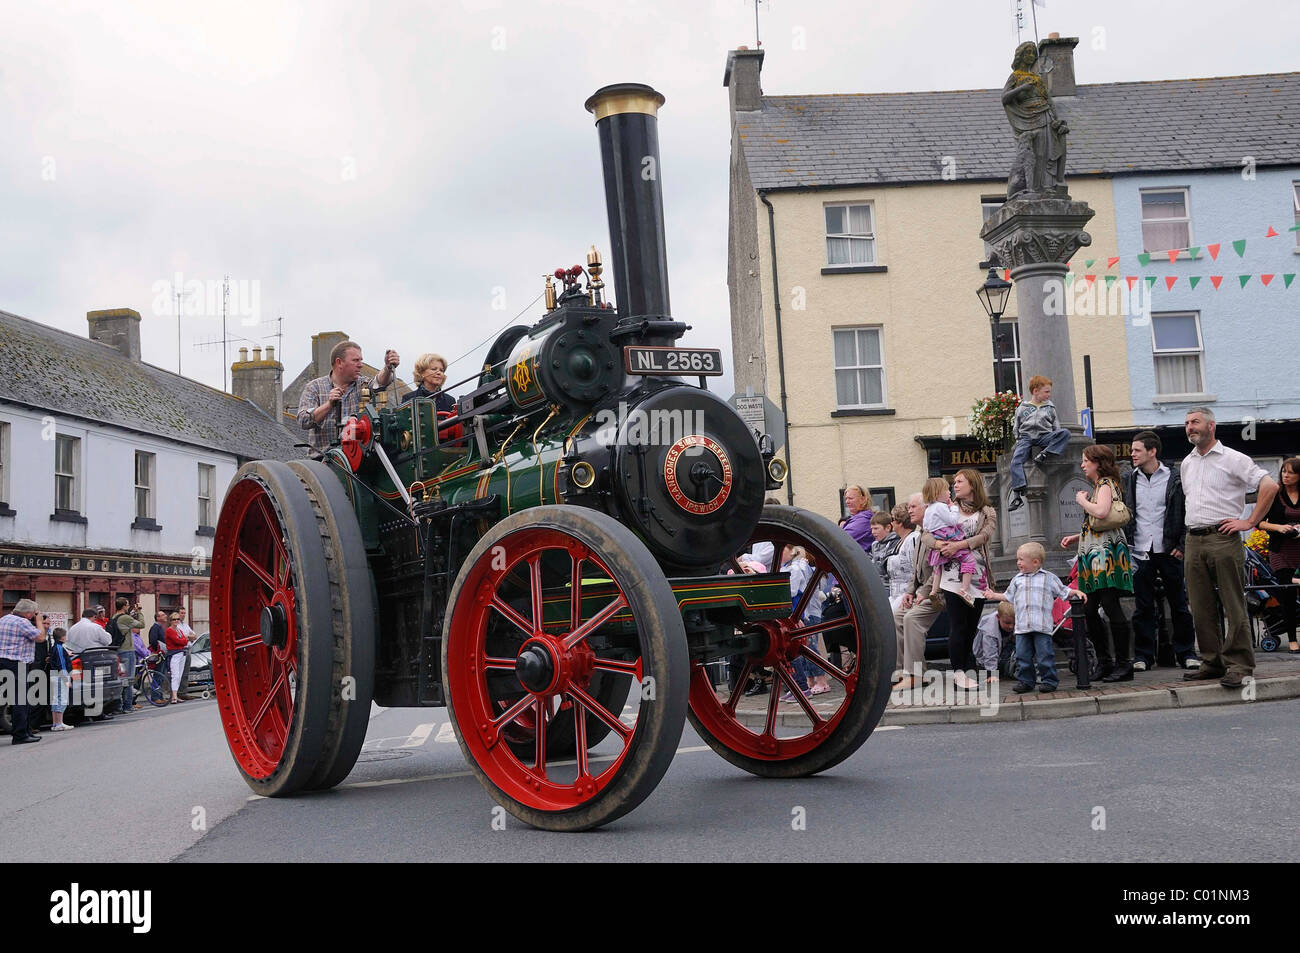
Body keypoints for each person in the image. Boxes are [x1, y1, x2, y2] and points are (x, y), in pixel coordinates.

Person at [1180, 408, 1279, 688]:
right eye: (1187, 423)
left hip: (1223, 537)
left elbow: (1269, 486)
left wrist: (1249, 521)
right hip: (1193, 538)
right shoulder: (1187, 462)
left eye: (1195, 422)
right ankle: (1212, 662)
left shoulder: (1233, 458)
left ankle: (1240, 665)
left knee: (1233, 603)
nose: (1189, 427)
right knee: (1200, 606)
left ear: (1211, 426)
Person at [1123, 430, 1199, 670]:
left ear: (1152, 451)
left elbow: (1189, 510)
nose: (1132, 454)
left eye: (1136, 450)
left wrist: (1182, 544)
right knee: (1143, 606)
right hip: (1140, 550)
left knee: (1179, 603)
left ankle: (1186, 653)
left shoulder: (1175, 476)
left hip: (1169, 549)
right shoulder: (1128, 478)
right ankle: (1144, 656)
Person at [1061, 444, 1135, 681]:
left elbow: (1102, 512)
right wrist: (1077, 536)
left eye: (1085, 461)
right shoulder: (1100, 485)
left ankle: (1124, 664)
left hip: (1105, 556)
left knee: (1110, 605)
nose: (1082, 465)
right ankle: (1105, 661)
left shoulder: (1104, 484)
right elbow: (1098, 520)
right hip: (1095, 554)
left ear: (1097, 463)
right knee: (1090, 609)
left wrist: (1081, 500)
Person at [984, 542, 1087, 693]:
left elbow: (1063, 591)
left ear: (1035, 562)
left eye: (1021, 559)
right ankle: (1026, 681)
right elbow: (1008, 596)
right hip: (1022, 628)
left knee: (1045, 655)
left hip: (1042, 626)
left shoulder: (1049, 578)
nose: (1018, 562)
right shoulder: (1017, 580)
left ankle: (1049, 681)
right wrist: (993, 595)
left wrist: (1077, 592)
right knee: (1022, 656)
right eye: (1017, 559)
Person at [933, 469, 998, 689]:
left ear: (973, 484)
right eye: (954, 482)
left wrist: (958, 545)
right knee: (958, 625)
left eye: (960, 481)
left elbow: (984, 536)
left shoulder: (987, 511)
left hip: (978, 575)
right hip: (952, 573)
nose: (955, 485)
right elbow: (926, 532)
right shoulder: (947, 508)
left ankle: (968, 670)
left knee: (971, 625)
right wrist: (940, 545)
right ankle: (958, 673)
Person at [297, 340, 400, 453]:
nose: (360, 365)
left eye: (361, 360)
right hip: (324, 460)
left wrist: (387, 368)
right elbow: (303, 420)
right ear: (339, 362)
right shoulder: (314, 387)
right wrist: (329, 404)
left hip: (357, 459)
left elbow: (380, 383)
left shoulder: (363, 384)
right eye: (355, 360)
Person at [894, 492, 941, 691]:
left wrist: (922, 591)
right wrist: (911, 591)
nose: (909, 510)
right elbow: (917, 570)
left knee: (911, 618)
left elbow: (939, 568)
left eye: (913, 507)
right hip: (921, 592)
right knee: (896, 616)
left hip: (937, 593)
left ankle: (916, 675)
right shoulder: (922, 532)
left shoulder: (936, 532)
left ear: (926, 508)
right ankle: (899, 672)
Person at [1007, 375, 1073, 512]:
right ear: (1036, 391)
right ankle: (1017, 494)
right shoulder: (1023, 407)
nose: (1049, 394)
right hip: (1026, 437)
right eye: (1046, 392)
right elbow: (1016, 426)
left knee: (1065, 433)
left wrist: (1055, 437)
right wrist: (1019, 439)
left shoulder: (1050, 407)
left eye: (1049, 391)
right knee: (1015, 461)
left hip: (1045, 435)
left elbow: (1056, 425)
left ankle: (1045, 454)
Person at [1259, 456, 1300, 654]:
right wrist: (1280, 527)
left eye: (1290, 473)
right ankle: (1292, 640)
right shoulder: (1275, 494)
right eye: (1283, 471)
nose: (1285, 475)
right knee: (1288, 593)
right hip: (1281, 550)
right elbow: (1260, 522)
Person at [920, 477, 978, 606]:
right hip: (949, 536)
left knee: (939, 566)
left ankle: (934, 591)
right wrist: (953, 508)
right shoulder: (941, 506)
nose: (949, 492)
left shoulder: (929, 509)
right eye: (946, 490)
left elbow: (926, 527)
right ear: (937, 493)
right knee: (968, 559)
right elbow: (952, 520)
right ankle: (965, 589)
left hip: (937, 537)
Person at [1, 599, 48, 744]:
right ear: (28, 614)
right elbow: (40, 637)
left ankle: (26, 731)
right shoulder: (23, 622)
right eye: (33, 614)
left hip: (2, 661)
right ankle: (21, 734)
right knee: (21, 700)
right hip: (17, 663)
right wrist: (39, 621)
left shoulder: (3, 619)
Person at [885, 503, 919, 610]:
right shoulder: (899, 541)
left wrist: (912, 592)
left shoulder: (913, 539)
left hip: (906, 594)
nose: (891, 522)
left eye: (893, 519)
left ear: (900, 522)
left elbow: (916, 569)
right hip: (895, 594)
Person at [109, 597, 138, 715]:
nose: (128, 606)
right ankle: (128, 705)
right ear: (124, 606)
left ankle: (118, 705)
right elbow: (141, 624)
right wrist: (139, 612)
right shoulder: (125, 617)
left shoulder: (114, 617)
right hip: (127, 650)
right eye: (127, 604)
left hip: (117, 650)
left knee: (120, 678)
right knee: (128, 679)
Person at [974, 601, 1015, 680]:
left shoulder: (1011, 619)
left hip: (1004, 648)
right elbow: (989, 653)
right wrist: (992, 674)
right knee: (1007, 669)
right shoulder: (990, 630)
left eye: (1014, 623)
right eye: (1007, 623)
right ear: (998, 617)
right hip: (984, 659)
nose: (1011, 626)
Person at [47, 627, 74, 731]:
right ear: (62, 637)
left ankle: (55, 723)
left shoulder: (56, 647)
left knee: (56, 698)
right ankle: (59, 723)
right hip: (60, 675)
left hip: (55, 675)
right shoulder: (59, 648)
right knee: (61, 698)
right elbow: (61, 664)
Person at [867, 511, 901, 582]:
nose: (873, 532)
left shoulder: (895, 543)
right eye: (872, 529)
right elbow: (868, 563)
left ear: (888, 528)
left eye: (876, 528)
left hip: (889, 583)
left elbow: (886, 567)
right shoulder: (874, 545)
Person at [840, 485, 875, 553]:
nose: (847, 501)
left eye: (850, 498)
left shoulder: (863, 521)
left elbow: (840, 540)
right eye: (846, 499)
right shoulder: (857, 519)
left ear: (863, 499)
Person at [164, 612, 190, 704]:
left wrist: (184, 640)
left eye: (177, 619)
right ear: (170, 621)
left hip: (181, 653)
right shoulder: (169, 630)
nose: (176, 621)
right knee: (175, 675)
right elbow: (179, 641)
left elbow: (183, 641)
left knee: (179, 675)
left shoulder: (179, 630)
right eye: (174, 619)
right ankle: (174, 696)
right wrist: (185, 639)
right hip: (174, 654)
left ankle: (176, 694)